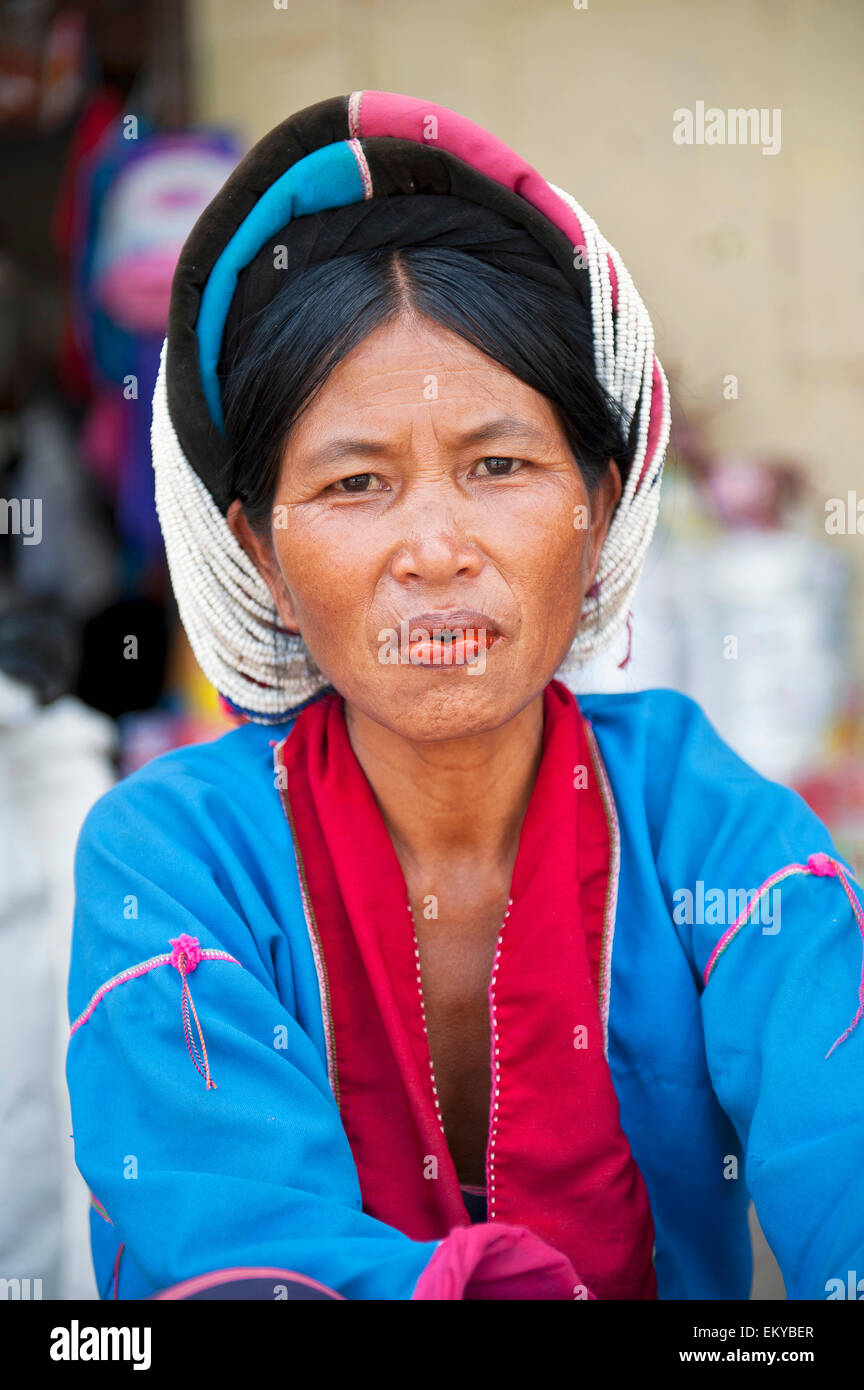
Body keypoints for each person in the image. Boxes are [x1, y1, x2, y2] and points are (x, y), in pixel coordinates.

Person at [66, 90, 864, 1301]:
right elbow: (233, 1251)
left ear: (597, 510)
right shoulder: (176, 859)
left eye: (499, 466)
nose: (435, 548)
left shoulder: (712, 832)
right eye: (354, 485)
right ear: (265, 556)